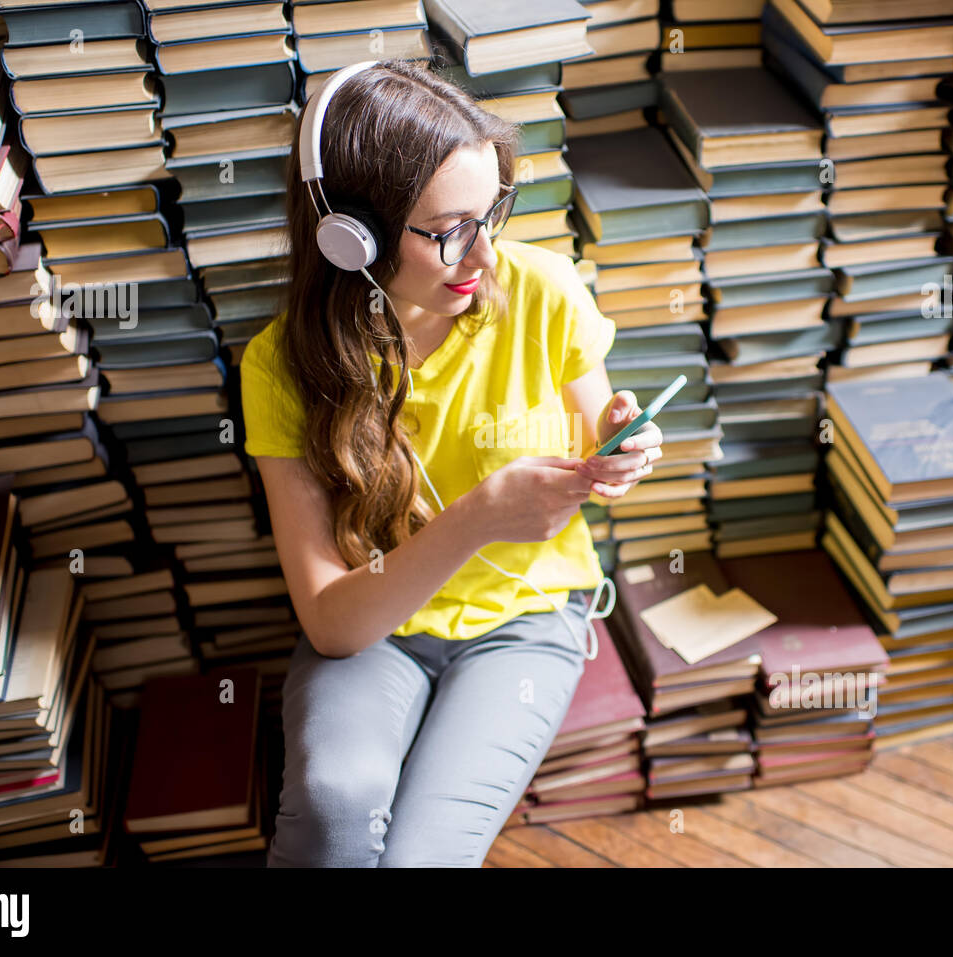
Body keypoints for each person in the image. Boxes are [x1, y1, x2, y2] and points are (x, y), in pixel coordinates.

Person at [240, 59, 664, 867]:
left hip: (523, 621)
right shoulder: (279, 366)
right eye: (448, 231)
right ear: (350, 236)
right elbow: (333, 623)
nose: (483, 254)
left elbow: (602, 446)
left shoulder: (544, 290)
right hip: (377, 628)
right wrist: (479, 516)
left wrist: (622, 447)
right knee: (334, 806)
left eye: (490, 213)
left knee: (421, 858)